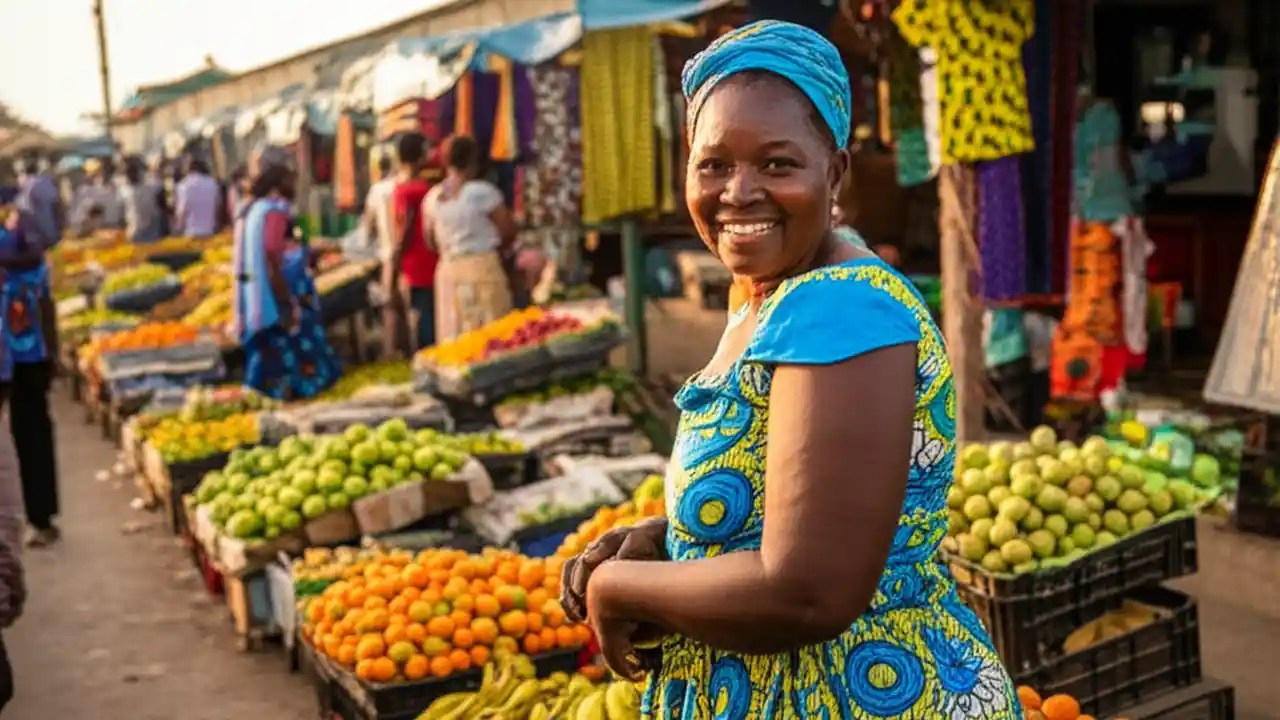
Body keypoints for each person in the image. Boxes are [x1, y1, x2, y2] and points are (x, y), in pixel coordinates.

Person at [559, 20, 1019, 719]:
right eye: (713, 164)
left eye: (777, 164)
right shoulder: (770, 295)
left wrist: (617, 591)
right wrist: (672, 539)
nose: (738, 192)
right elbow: (786, 500)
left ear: (834, 173)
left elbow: (806, 591)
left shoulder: (839, 308)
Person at [232, 146, 341, 400]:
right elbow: (272, 252)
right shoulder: (274, 210)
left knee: (266, 366)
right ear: (280, 179)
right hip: (276, 303)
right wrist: (285, 302)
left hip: (256, 302)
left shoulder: (251, 210)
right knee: (298, 360)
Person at [0, 212, 59, 548]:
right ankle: (41, 519)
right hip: (30, 349)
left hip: (21, 351)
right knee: (34, 433)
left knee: (31, 434)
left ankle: (39, 519)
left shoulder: (18, 225)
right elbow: (46, 300)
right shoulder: (23, 225)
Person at [422, 135, 516, 341]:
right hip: (483, 267)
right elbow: (508, 230)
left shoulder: (432, 198)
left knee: (454, 335)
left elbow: (429, 241)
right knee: (492, 334)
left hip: (448, 269)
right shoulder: (482, 193)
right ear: (474, 161)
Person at [389, 133, 438, 353]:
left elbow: (403, 228)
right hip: (428, 256)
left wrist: (396, 257)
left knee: (421, 311)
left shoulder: (405, 190)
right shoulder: (424, 188)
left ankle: (425, 356)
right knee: (428, 311)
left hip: (415, 261)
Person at [69, 158, 123, 233]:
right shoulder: (81, 191)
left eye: (96, 174)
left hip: (109, 228)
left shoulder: (109, 189)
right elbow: (75, 217)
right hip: (89, 230)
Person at [174, 157, 221, 239]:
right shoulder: (213, 184)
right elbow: (218, 207)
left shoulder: (183, 185)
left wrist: (178, 229)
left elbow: (181, 212)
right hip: (209, 232)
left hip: (190, 234)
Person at [119, 158, 163, 244]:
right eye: (128, 173)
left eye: (133, 172)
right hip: (133, 231)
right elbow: (122, 212)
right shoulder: (124, 190)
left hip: (151, 230)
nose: (131, 175)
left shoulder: (150, 186)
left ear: (138, 173)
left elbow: (161, 191)